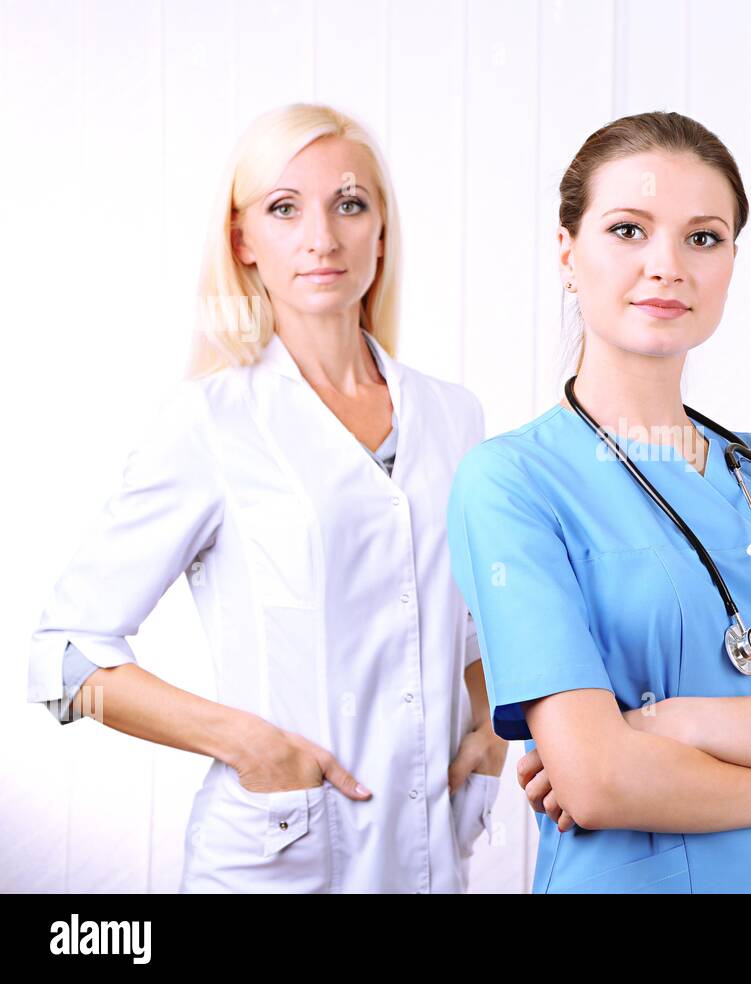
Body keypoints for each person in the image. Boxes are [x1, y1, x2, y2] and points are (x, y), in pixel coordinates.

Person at [447, 111, 751, 894]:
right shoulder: (511, 482)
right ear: (567, 253)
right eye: (628, 230)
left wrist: (679, 724)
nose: (667, 265)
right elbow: (601, 781)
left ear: (731, 263)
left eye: (702, 237)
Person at [27, 103, 505, 893]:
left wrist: (490, 731)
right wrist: (246, 743)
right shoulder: (209, 421)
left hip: (424, 855)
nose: (322, 237)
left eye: (350, 205)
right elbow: (65, 656)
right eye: (285, 209)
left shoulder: (455, 415)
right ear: (244, 241)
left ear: (381, 233)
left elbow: (465, 624)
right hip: (277, 855)